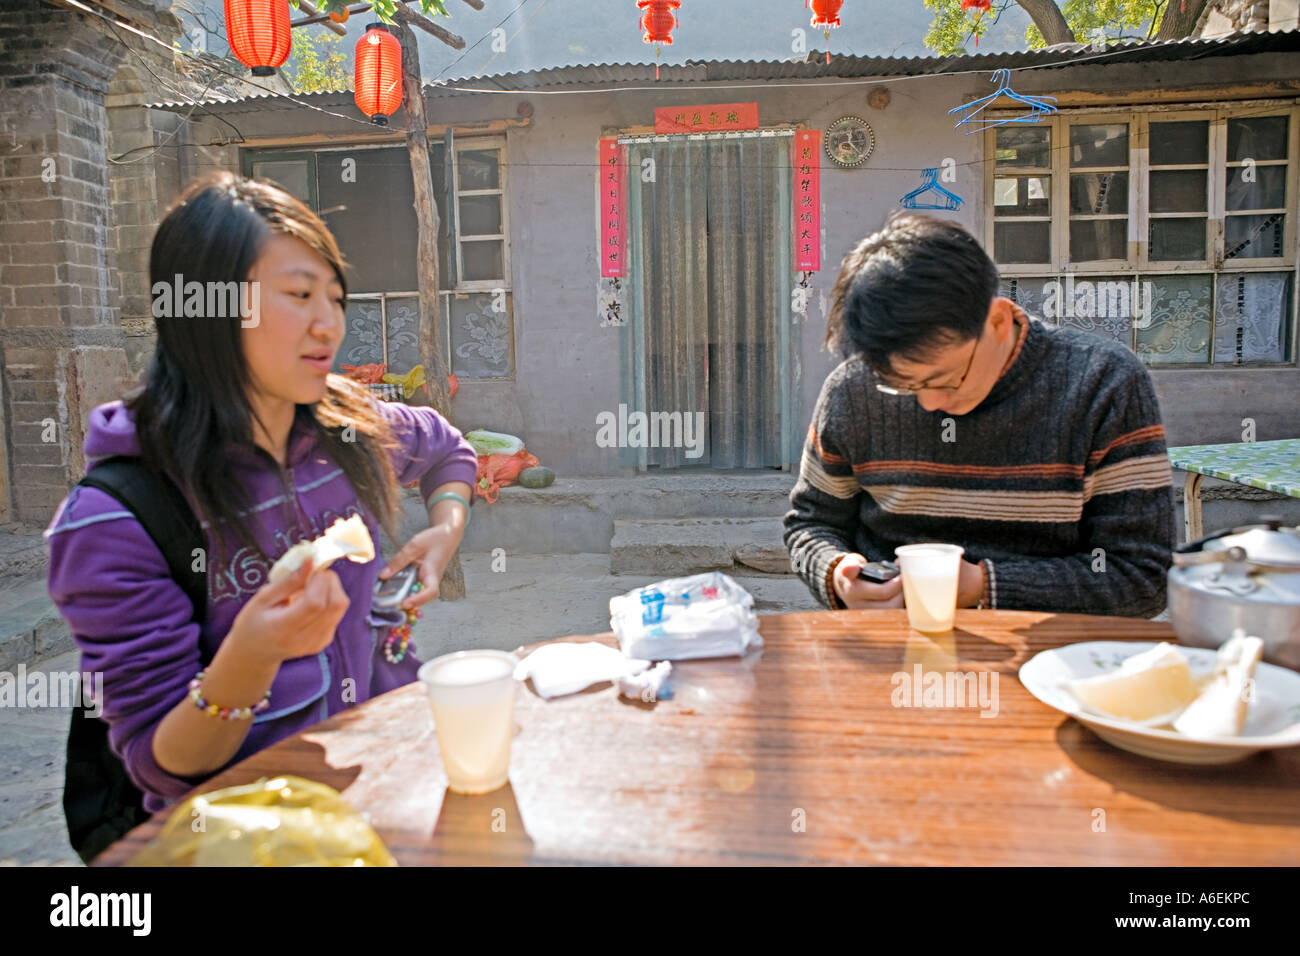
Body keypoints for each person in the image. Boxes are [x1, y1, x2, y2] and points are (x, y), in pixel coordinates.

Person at [45, 172, 478, 814]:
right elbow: (163, 763)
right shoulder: (115, 520)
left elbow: (447, 450)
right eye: (299, 295)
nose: (329, 324)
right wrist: (253, 654)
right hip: (256, 836)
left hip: (386, 785)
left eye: (335, 297)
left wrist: (444, 532)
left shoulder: (349, 428)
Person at [784, 213, 1176, 617]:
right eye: (904, 386)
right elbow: (811, 525)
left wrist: (984, 587)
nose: (929, 404)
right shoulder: (854, 388)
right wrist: (836, 574)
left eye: (945, 380)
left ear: (998, 322)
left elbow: (1140, 576)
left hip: (1056, 652)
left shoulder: (1103, 384)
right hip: (890, 640)